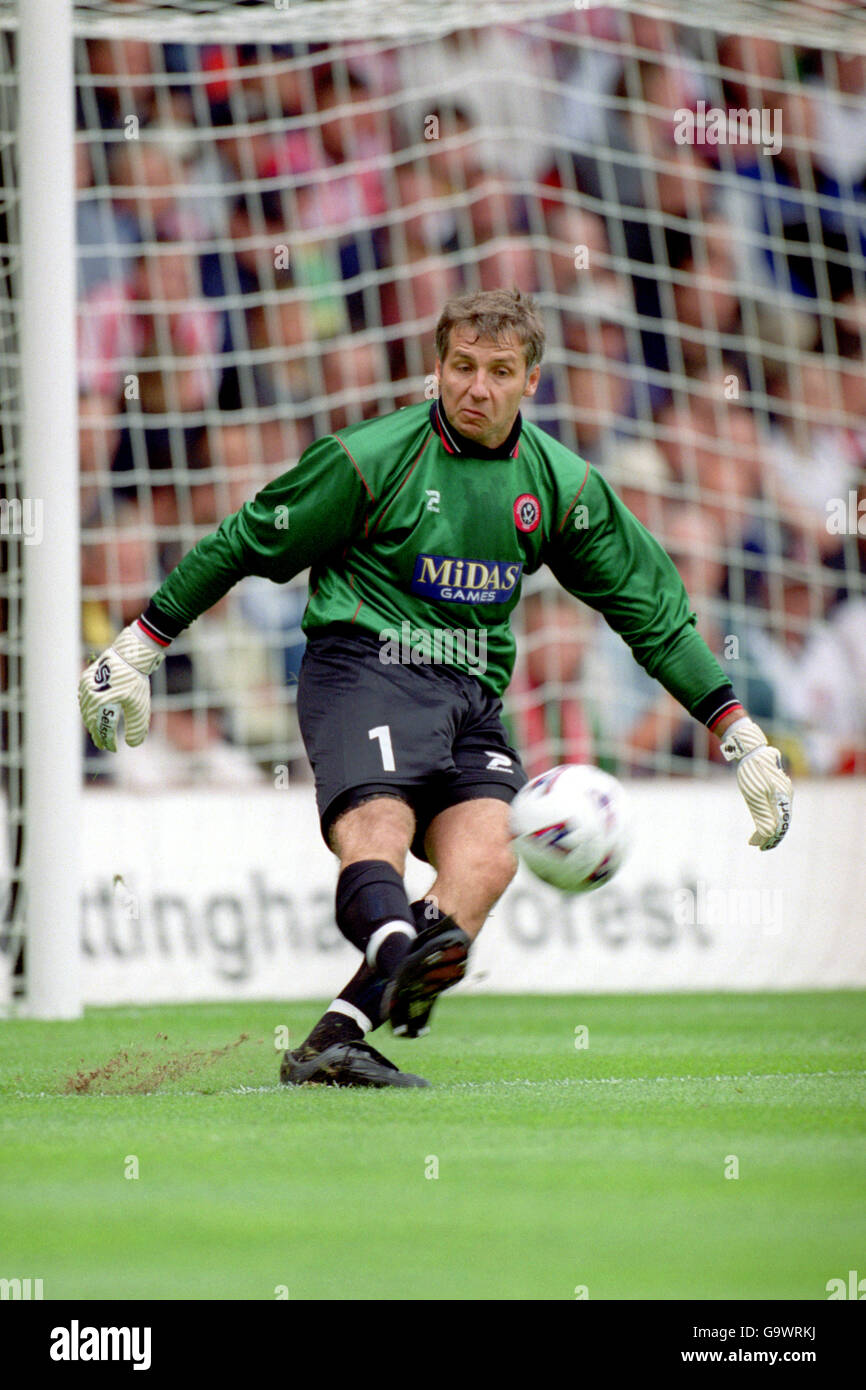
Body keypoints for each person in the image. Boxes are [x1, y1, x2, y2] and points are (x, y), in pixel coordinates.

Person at [79, 289, 793, 1089]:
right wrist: (139, 647)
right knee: (376, 826)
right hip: (363, 668)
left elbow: (654, 616)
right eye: (461, 367)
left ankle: (333, 1042)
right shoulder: (371, 459)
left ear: (531, 382)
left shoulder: (559, 486)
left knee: (487, 862)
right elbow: (246, 539)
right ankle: (395, 953)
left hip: (469, 698)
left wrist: (742, 735)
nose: (475, 388)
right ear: (436, 368)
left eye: (498, 371)